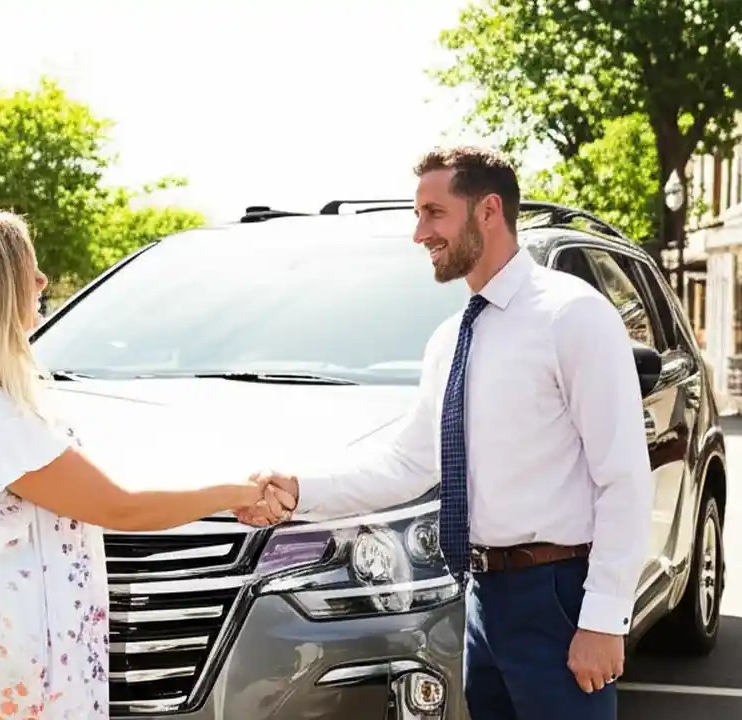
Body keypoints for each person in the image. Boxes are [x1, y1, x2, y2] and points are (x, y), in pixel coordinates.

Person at [243, 147, 653, 720]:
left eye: (433, 213)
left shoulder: (571, 316)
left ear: (488, 210)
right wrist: (299, 491)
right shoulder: (451, 338)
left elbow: (625, 478)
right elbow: (409, 464)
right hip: (483, 599)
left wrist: (604, 618)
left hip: (558, 596)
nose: (419, 233)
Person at [0, 207, 288, 720]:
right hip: (18, 685)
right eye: (28, 266)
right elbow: (121, 508)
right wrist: (238, 494)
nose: (42, 280)